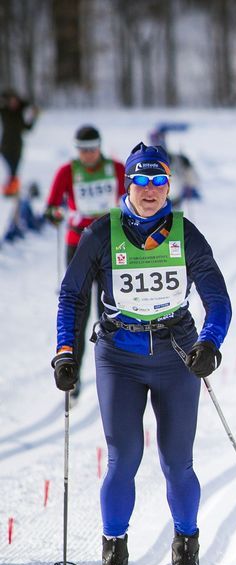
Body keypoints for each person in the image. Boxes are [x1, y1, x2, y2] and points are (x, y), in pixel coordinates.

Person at [52, 142, 232, 565]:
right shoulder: (101, 233)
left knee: (177, 461)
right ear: (127, 183)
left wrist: (210, 342)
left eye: (158, 181)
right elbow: (72, 295)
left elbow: (217, 296)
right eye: (141, 181)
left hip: (176, 354)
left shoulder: (186, 234)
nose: (149, 190)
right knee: (124, 457)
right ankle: (114, 555)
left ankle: (186, 550)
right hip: (119, 355)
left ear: (168, 185)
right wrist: (65, 351)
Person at [44, 124, 126, 391]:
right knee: (78, 311)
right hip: (78, 244)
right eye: (83, 150)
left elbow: (132, 198)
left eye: (92, 149)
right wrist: (54, 214)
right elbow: (52, 205)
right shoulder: (67, 172)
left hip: (110, 245)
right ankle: (72, 373)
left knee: (109, 312)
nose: (88, 155)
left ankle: (113, 372)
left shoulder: (116, 168)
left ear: (99, 147)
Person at [149, 128, 200, 208]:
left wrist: (189, 186)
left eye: (161, 139)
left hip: (175, 201)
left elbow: (194, 180)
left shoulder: (180, 160)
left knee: (176, 219)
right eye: (155, 140)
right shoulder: (146, 162)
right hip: (154, 204)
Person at [1, 89, 38, 196]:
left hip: (17, 147)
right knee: (12, 170)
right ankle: (10, 190)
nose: (13, 103)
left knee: (15, 171)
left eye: (15, 101)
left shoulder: (19, 114)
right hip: (6, 147)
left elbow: (28, 128)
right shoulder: (5, 112)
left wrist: (34, 117)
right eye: (11, 101)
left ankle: (12, 190)